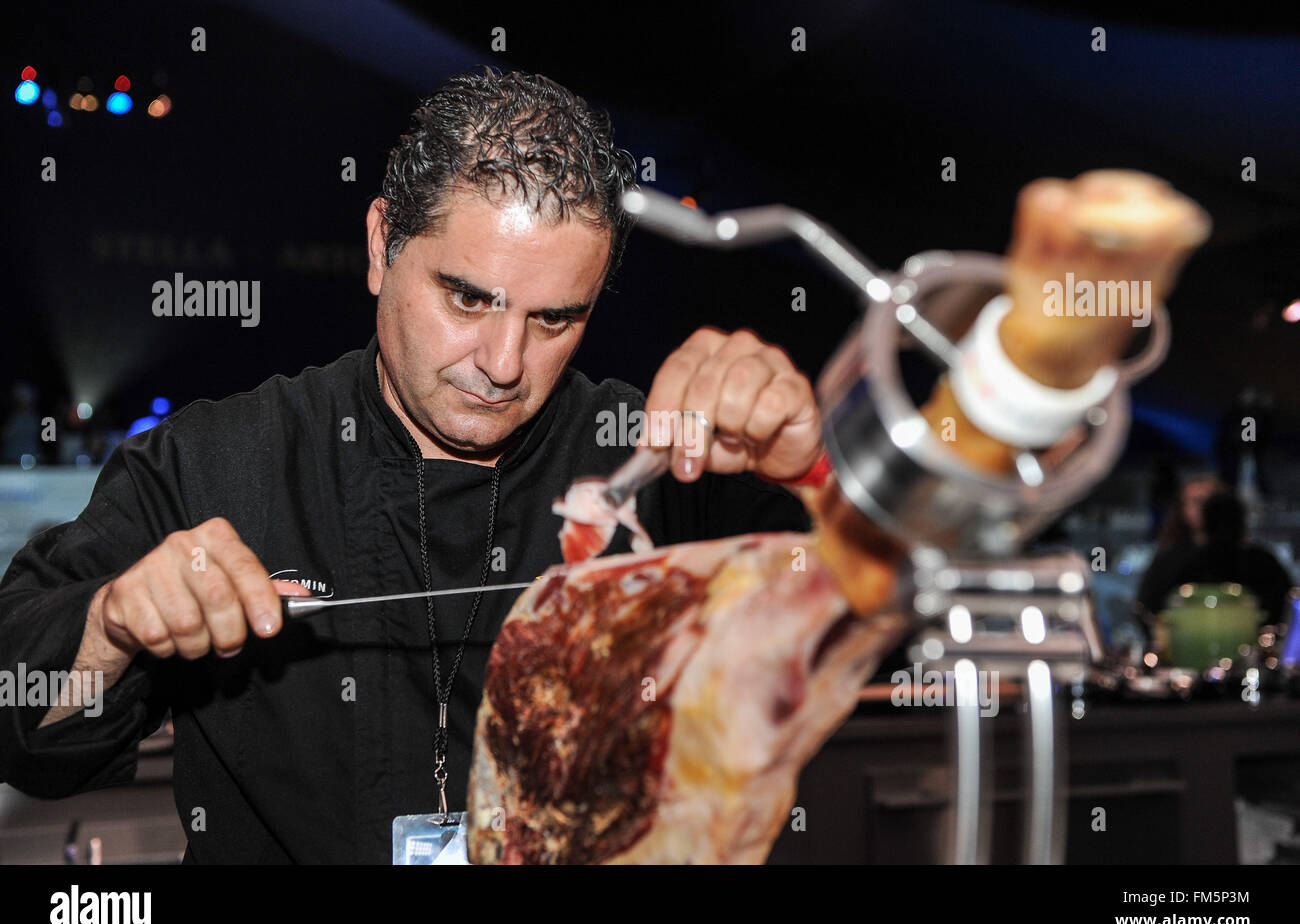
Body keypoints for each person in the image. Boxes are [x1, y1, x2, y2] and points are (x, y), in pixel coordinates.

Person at [0, 67, 827, 863]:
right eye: (468, 298)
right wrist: (109, 626)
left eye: (554, 319)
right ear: (379, 244)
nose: (504, 362)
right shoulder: (214, 460)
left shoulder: (653, 463)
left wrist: (810, 471)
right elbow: (20, 721)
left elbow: (881, 615)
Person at [1138, 490, 1293, 633]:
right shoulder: (1264, 563)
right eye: (1195, 501)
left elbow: (1146, 611)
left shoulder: (1172, 562)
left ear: (1204, 520)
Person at [1135, 472, 1221, 641]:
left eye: (1208, 502)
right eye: (1194, 502)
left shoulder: (1250, 559)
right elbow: (1147, 610)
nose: (1201, 508)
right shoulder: (1167, 561)